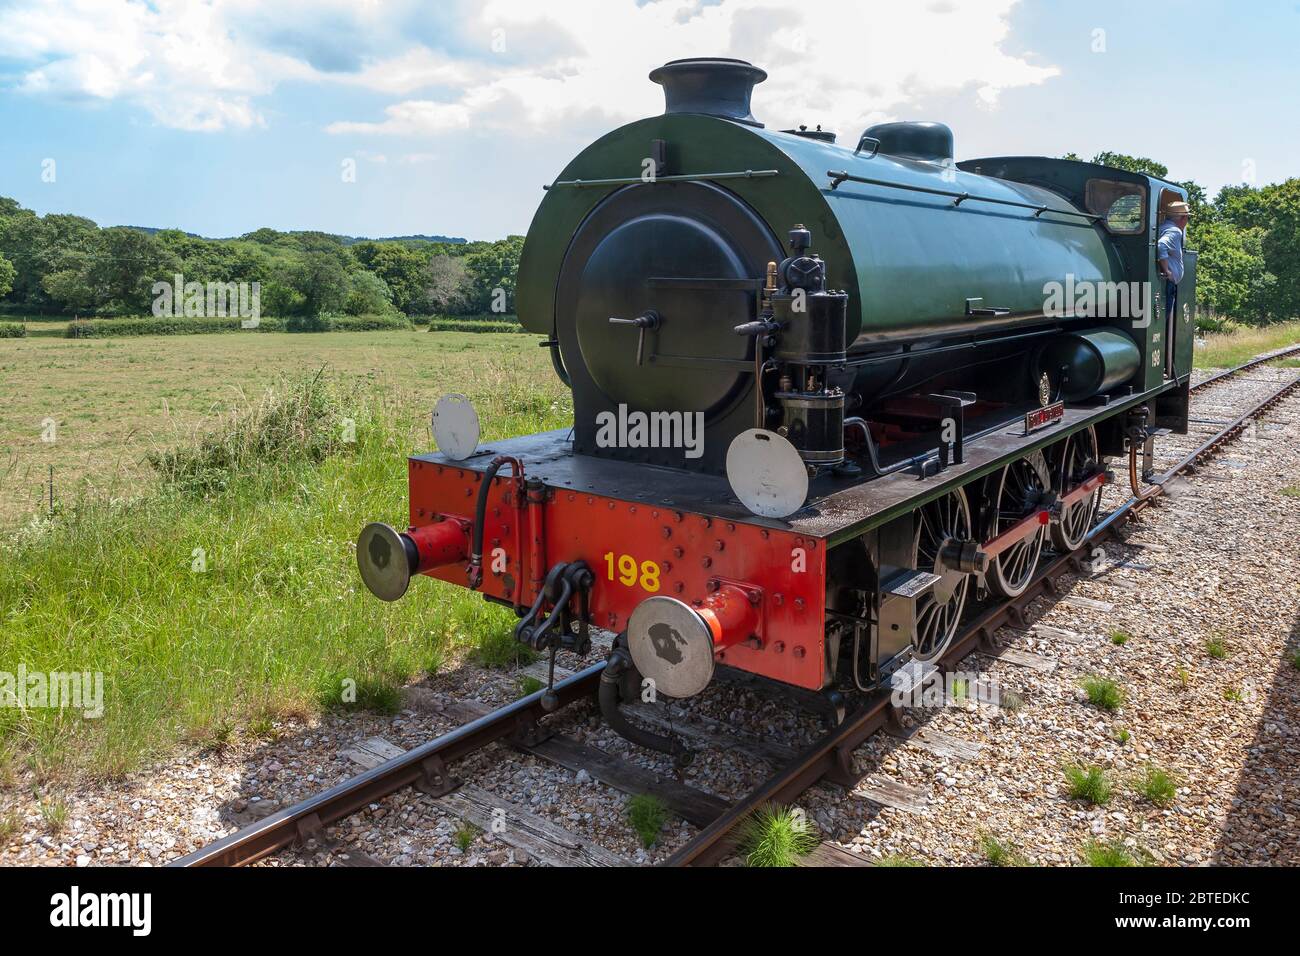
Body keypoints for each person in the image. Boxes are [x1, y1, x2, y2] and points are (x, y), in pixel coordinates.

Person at [1157, 200, 1191, 323]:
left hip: (1165, 284)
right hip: (1167, 284)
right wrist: (1167, 270)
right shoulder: (1175, 231)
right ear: (1183, 218)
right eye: (1187, 218)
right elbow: (1161, 246)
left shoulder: (1162, 227)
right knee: (1162, 320)